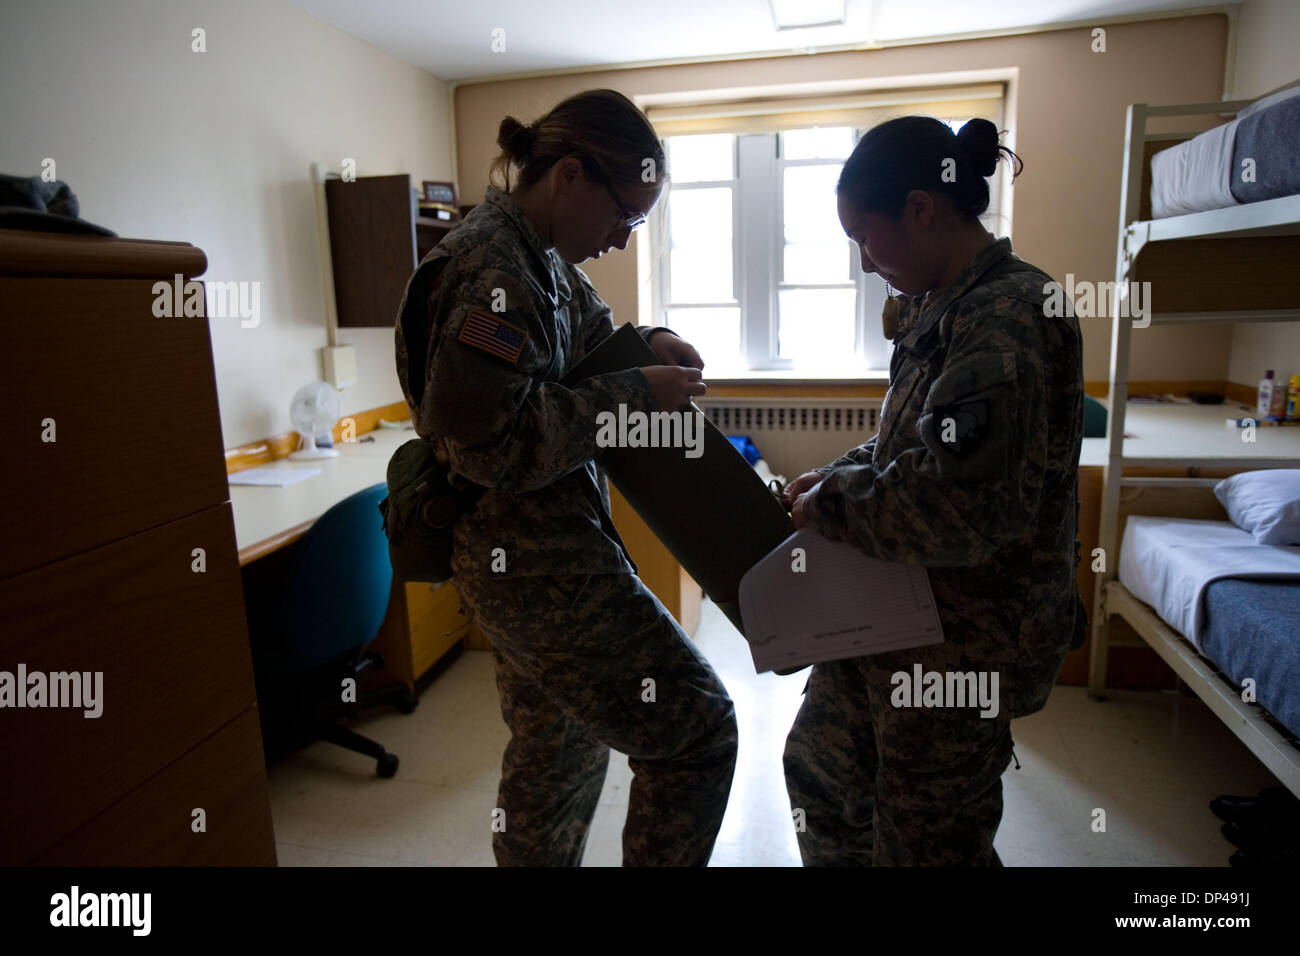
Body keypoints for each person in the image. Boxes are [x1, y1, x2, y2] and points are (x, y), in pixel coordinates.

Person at [393, 89, 738, 866]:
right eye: (625, 216)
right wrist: (632, 395)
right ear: (571, 175)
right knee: (699, 730)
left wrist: (652, 341)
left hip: (543, 558)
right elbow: (490, 445)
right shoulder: (490, 269)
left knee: (557, 754)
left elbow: (586, 343)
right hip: (535, 569)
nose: (622, 239)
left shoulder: (539, 258)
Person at [780, 116, 1084, 866]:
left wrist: (828, 505)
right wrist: (841, 469)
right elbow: (914, 440)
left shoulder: (1007, 316)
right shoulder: (937, 303)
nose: (862, 262)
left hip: (963, 643)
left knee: (926, 839)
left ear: (921, 208)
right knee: (821, 772)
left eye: (864, 236)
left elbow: (962, 508)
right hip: (893, 614)